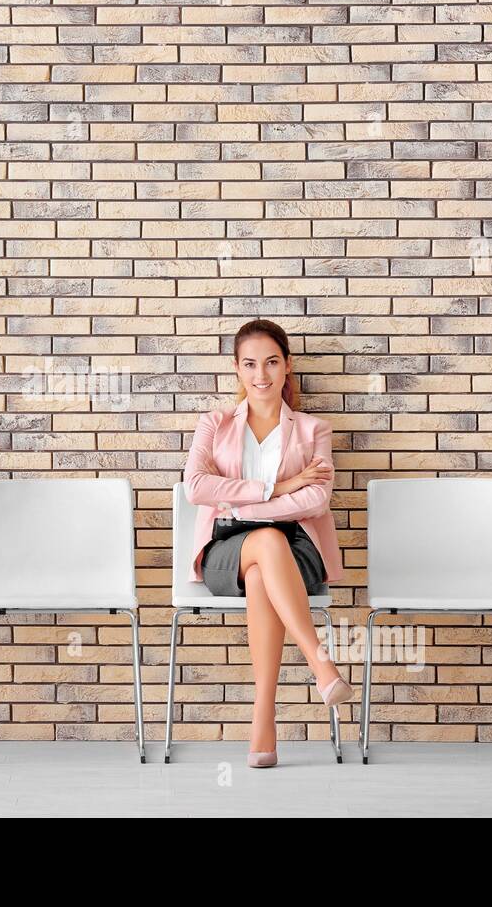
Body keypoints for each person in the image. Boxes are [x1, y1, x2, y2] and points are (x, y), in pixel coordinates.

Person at [183, 318, 353, 768]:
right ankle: (321, 665)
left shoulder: (314, 429)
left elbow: (317, 498)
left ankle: (263, 716)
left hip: (296, 549)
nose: (262, 375)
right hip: (224, 552)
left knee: (264, 559)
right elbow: (197, 487)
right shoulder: (213, 424)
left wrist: (239, 505)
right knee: (262, 544)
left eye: (272, 362)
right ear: (237, 370)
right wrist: (277, 489)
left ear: (287, 366)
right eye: (251, 364)